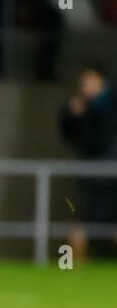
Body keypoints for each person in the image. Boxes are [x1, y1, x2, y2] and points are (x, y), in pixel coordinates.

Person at [58, 64, 117, 259]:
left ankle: (73, 275)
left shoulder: (109, 105)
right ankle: (74, 276)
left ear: (101, 80)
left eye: (88, 80)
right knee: (82, 229)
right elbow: (71, 137)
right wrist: (73, 116)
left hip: (107, 178)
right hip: (95, 179)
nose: (84, 86)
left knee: (80, 230)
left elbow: (100, 141)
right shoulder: (86, 107)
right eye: (83, 82)